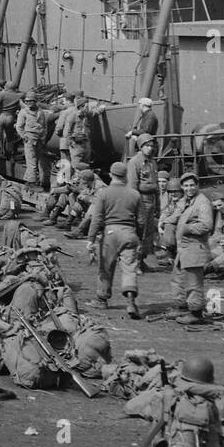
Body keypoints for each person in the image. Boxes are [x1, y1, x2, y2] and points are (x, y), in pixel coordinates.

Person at [85, 161, 143, 318]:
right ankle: (131, 301)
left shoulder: (104, 193)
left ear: (111, 175)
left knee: (106, 267)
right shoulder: (135, 194)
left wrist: (91, 238)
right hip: (129, 233)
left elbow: (96, 218)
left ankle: (101, 299)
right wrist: (140, 237)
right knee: (129, 268)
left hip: (110, 233)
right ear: (125, 176)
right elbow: (142, 220)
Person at [171, 172, 214, 324]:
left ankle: (195, 313)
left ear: (197, 185)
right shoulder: (186, 201)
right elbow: (176, 215)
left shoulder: (202, 203)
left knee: (193, 283)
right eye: (186, 185)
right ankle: (182, 307)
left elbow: (206, 225)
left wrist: (186, 228)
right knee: (179, 279)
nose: (189, 188)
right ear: (182, 187)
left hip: (195, 247)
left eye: (192, 185)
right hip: (184, 248)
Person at [126, 133, 161, 265]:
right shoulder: (134, 162)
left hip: (151, 199)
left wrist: (157, 204)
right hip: (141, 200)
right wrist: (136, 207)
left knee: (149, 232)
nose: (150, 148)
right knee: (139, 229)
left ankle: (142, 259)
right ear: (141, 147)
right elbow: (132, 187)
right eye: (147, 145)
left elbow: (156, 185)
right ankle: (135, 261)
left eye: (152, 146)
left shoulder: (152, 162)